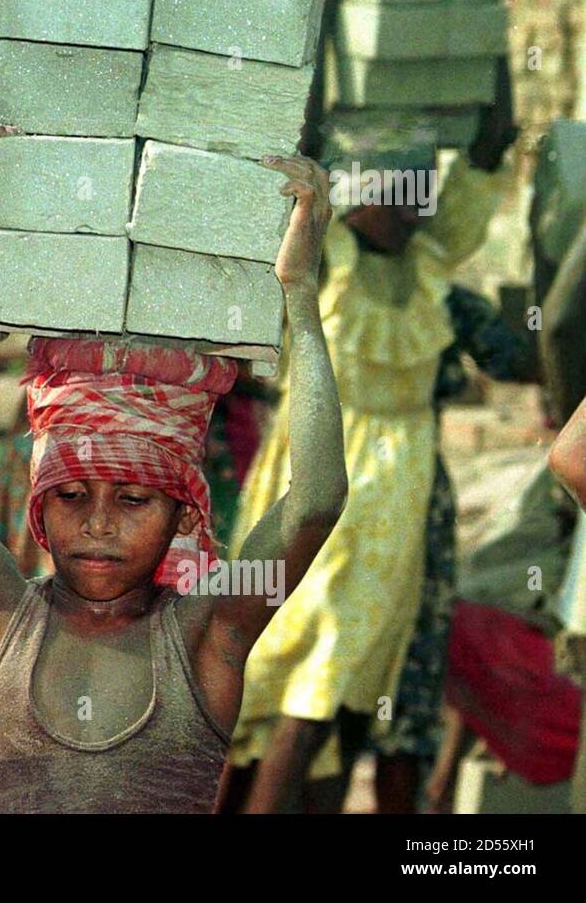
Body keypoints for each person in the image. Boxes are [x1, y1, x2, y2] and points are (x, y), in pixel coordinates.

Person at [0, 88, 347, 813]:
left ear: (185, 515)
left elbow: (315, 501)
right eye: (70, 497)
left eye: (133, 501)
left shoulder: (203, 639)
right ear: (38, 508)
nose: (98, 524)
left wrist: (298, 295)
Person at [222, 101, 514, 813]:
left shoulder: (431, 266)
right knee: (277, 666)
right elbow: (301, 154)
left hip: (394, 497)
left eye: (423, 200)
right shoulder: (325, 258)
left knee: (339, 677)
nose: (415, 216)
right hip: (320, 463)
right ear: (352, 201)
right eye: (398, 201)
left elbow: (486, 151)